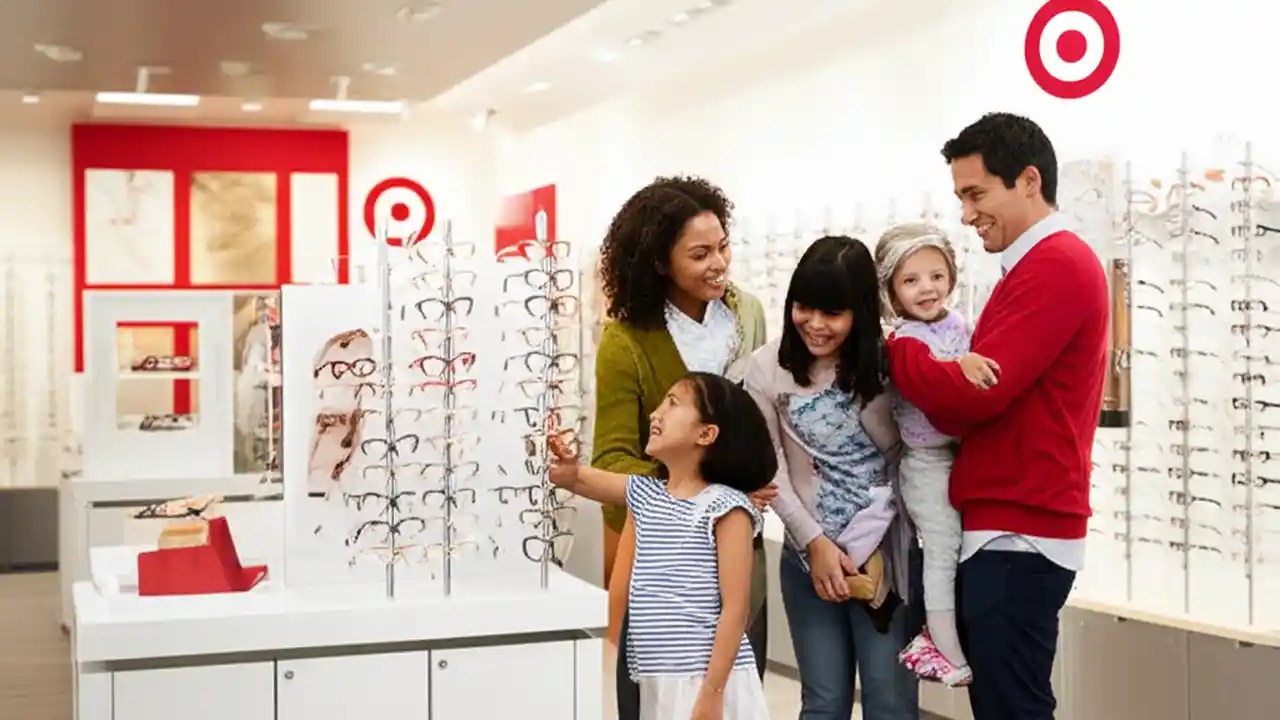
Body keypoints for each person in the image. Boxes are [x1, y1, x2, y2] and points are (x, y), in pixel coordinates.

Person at [886, 112, 1108, 719]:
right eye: (961, 197)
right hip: (1013, 520)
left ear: (1028, 181)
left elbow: (973, 396)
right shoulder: (1034, 265)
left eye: (976, 194)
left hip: (1021, 527)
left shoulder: (1056, 264)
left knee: (1012, 704)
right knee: (1006, 699)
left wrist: (900, 350)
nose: (966, 214)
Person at [592, 175, 775, 718]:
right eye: (700, 254)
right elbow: (610, 461)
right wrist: (695, 489)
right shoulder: (626, 342)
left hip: (739, 543)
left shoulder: (749, 315)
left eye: (723, 246)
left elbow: (757, 422)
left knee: (735, 689)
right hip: (663, 571)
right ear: (658, 262)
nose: (719, 263)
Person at [743, 235, 921, 719]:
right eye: (804, 307)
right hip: (807, 561)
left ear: (860, 312)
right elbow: (769, 464)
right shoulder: (765, 368)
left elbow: (913, 455)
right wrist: (814, 543)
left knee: (890, 701)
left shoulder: (893, 364)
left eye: (833, 313)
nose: (815, 325)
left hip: (887, 562)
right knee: (823, 703)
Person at [549, 372, 776, 720]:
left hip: (707, 681)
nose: (655, 413)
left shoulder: (726, 507)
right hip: (657, 678)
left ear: (706, 434)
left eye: (672, 404)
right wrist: (564, 465)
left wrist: (713, 694)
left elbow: (735, 610)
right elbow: (576, 478)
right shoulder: (646, 493)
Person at [873, 223, 997, 687]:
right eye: (910, 280)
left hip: (961, 455)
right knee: (942, 549)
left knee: (963, 546)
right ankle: (942, 645)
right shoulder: (903, 341)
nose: (926, 288)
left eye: (935, 275)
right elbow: (930, 378)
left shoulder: (959, 324)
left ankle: (950, 630)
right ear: (891, 291)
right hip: (925, 463)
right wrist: (961, 366)